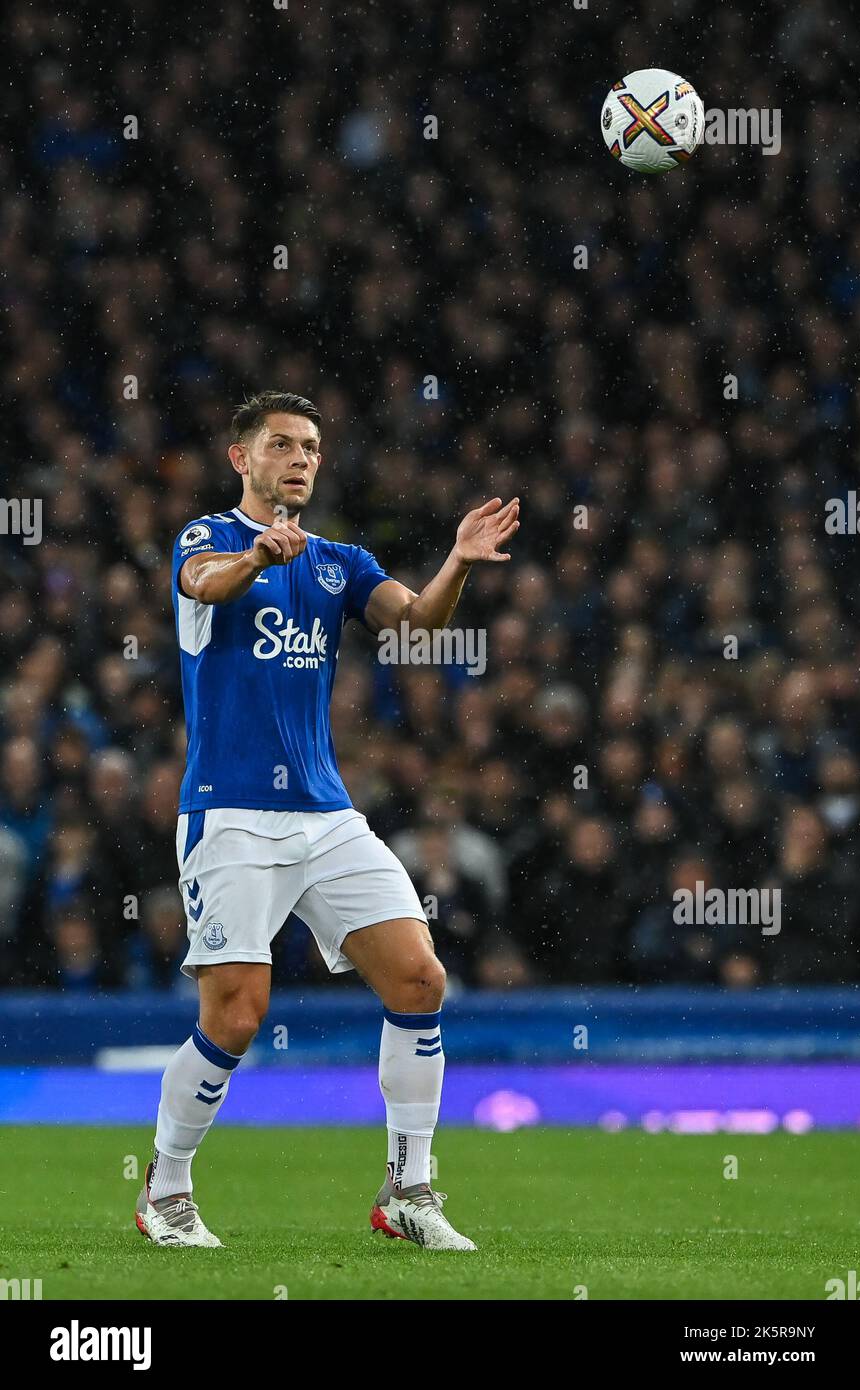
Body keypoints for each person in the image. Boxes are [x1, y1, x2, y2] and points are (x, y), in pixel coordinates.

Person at [135, 390, 519, 1251]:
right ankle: (166, 1187)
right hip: (228, 813)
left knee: (419, 980)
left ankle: (408, 1190)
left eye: (309, 446)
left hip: (325, 813)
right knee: (235, 1014)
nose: (299, 458)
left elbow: (417, 621)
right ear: (242, 458)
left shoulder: (341, 559)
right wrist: (260, 556)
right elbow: (207, 585)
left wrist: (454, 561)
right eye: (280, 444)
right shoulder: (207, 539)